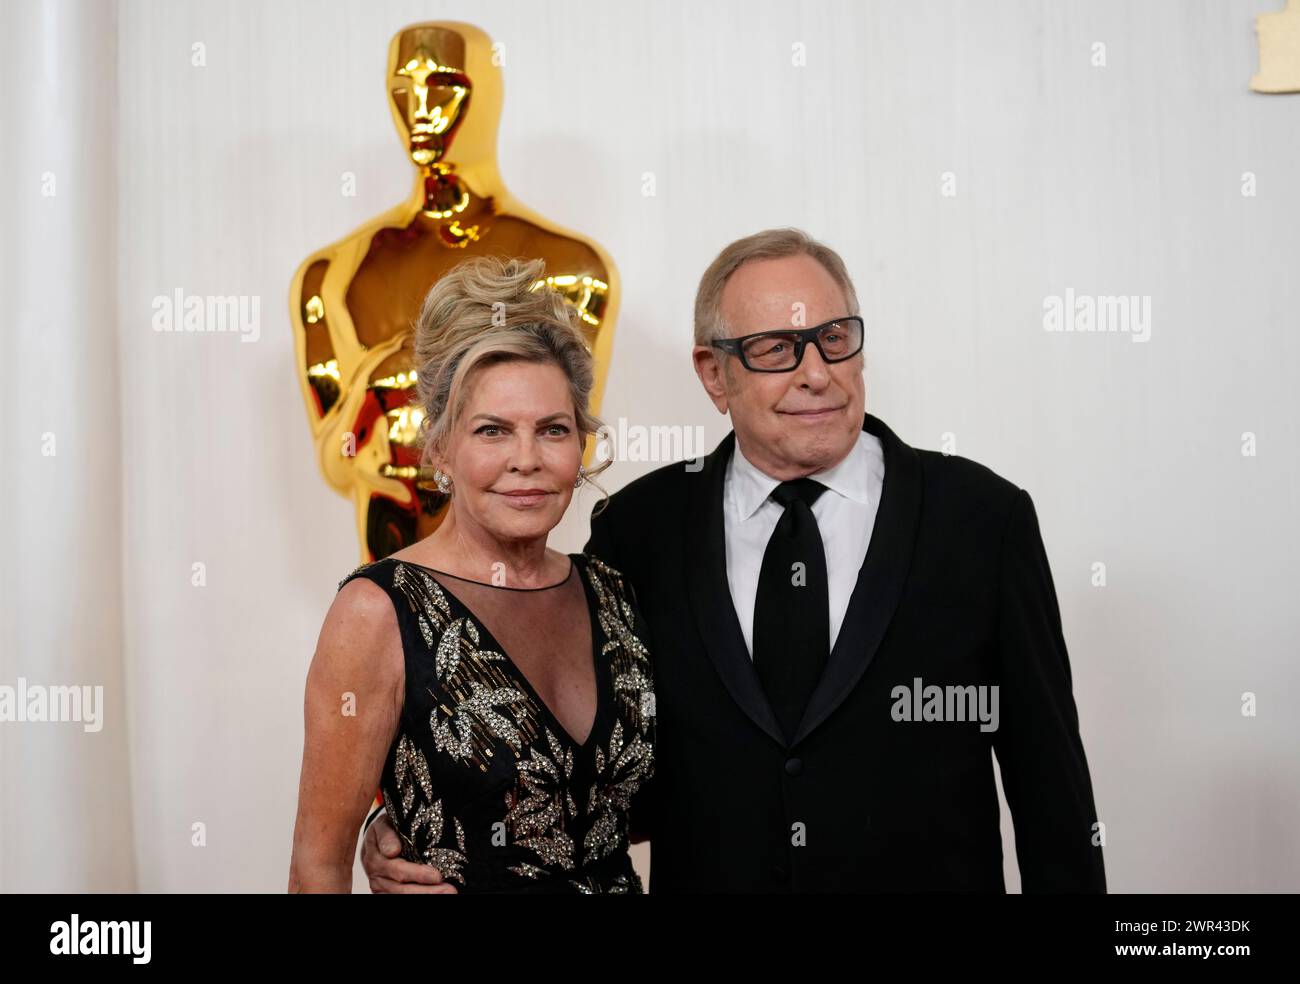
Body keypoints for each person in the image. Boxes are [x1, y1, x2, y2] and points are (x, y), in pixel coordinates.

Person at [362, 228, 1106, 892]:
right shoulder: (640, 530)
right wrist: (424, 829)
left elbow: (1051, 789)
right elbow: (602, 774)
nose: (816, 373)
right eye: (777, 349)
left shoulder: (983, 519)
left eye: (835, 338)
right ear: (714, 374)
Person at [289, 256, 654, 893]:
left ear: (581, 445)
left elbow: (605, 808)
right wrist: (410, 819)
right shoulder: (380, 610)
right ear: (440, 449)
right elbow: (316, 869)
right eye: (492, 431)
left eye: (553, 430)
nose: (526, 460)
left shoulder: (611, 592)